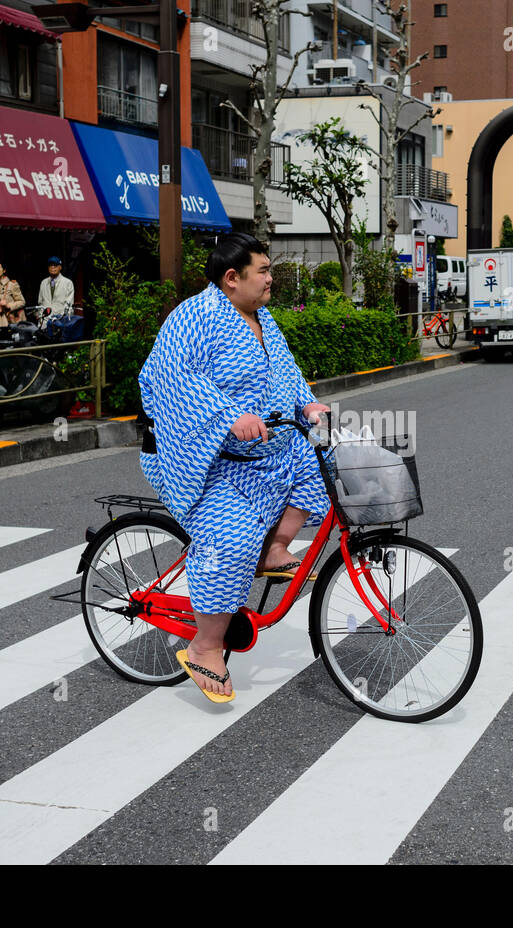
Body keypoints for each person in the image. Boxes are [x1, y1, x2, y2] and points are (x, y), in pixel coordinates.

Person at [139, 233, 330, 704]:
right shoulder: (193, 317)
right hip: (198, 458)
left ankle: (276, 546)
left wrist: (308, 405)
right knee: (233, 535)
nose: (271, 278)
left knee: (319, 466)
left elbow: (287, 372)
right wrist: (228, 415)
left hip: (259, 453)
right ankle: (205, 646)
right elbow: (169, 379)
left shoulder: (262, 318)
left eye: (268, 269)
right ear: (231, 278)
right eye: (263, 271)